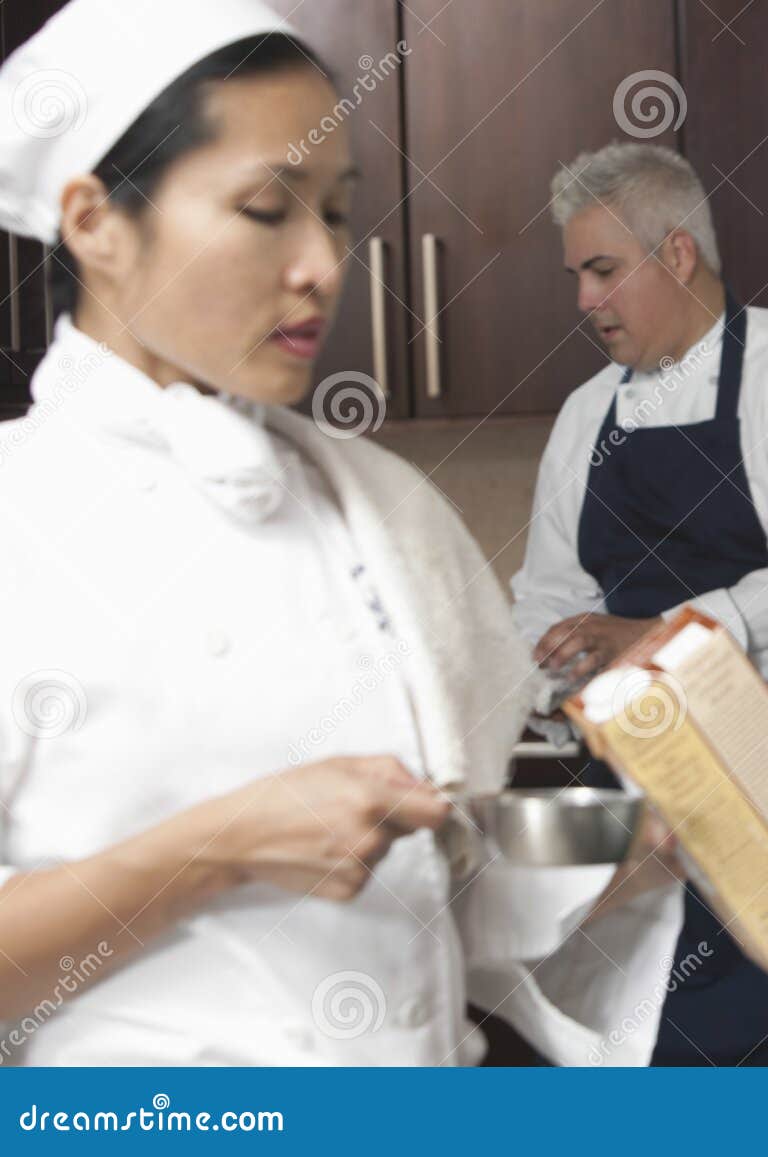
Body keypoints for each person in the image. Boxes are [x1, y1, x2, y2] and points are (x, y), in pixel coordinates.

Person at [0, 0, 682, 1066]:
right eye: (269, 207)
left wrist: (630, 838)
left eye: (335, 210)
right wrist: (213, 848)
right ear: (93, 219)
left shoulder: (374, 503)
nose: (324, 262)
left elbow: (436, 859)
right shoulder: (22, 518)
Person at [512, 142, 768, 1065]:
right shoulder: (586, 415)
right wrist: (556, 663)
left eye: (604, 271)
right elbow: (546, 592)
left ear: (679, 254)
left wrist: (658, 639)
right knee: (669, 1040)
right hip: (653, 785)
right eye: (577, 276)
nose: (585, 301)